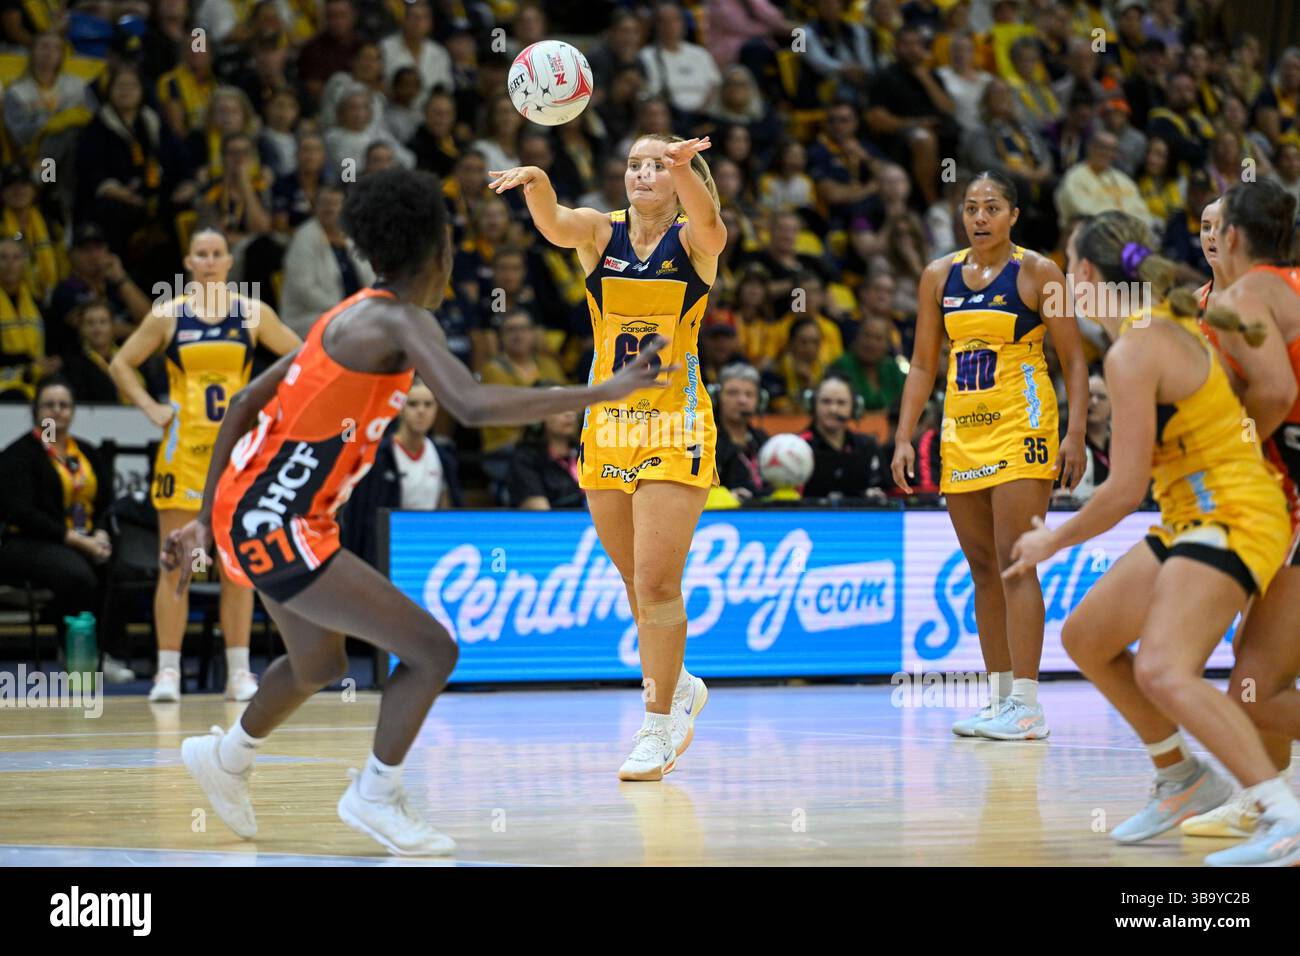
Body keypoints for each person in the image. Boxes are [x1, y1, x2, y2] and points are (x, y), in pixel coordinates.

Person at [164, 168, 667, 855]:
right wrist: (603, 390)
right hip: (277, 522)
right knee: (433, 651)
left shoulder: (349, 313)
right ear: (439, 251)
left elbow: (249, 399)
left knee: (316, 661)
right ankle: (374, 793)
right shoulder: (401, 320)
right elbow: (474, 404)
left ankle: (225, 760)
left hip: (251, 508)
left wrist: (202, 515)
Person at [1004, 209, 1300, 867]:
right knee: (1088, 636)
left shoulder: (1138, 347)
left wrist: (1049, 540)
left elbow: (1120, 489)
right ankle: (1182, 777)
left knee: (1164, 668)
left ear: (1083, 274)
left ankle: (1282, 815)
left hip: (1235, 512)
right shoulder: (1147, 334)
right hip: (1190, 514)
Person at [488, 131, 725, 781]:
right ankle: (678, 684)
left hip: (676, 424)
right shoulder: (601, 232)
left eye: (660, 165)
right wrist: (538, 181)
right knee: (631, 579)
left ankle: (657, 725)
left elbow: (709, 221)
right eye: (636, 164)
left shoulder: (694, 242)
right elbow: (558, 225)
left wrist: (688, 175)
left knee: (655, 581)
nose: (644, 174)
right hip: (609, 425)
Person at [893, 170, 1089, 740]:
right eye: (971, 208)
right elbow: (925, 365)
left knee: (1015, 559)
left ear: (1013, 215)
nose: (980, 218)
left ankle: (1028, 704)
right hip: (962, 431)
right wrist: (905, 436)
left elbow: (1073, 360)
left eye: (992, 207)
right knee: (982, 567)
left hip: (1022, 428)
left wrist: (1074, 435)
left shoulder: (1038, 272)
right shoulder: (938, 276)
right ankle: (1000, 696)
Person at [110, 227, 301, 703]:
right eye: (202, 254)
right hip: (184, 454)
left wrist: (273, 410)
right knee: (176, 564)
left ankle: (239, 671)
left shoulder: (254, 313)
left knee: (237, 566)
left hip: (238, 454)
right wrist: (150, 408)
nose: (211, 261)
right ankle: (167, 672)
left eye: (218, 254)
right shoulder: (167, 315)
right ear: (188, 261)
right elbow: (120, 364)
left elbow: (303, 360)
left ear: (229, 262)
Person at [1177, 180, 1300, 842]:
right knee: (1257, 667)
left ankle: (1264, 798)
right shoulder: (1240, 295)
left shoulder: (1248, 296)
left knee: (1255, 683)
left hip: (1281, 487)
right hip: (1277, 488)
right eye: (1200, 221)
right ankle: (1263, 797)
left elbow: (1274, 393)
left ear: (1233, 235)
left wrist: (1231, 449)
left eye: (1215, 223)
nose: (1207, 232)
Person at [0, 377, 134, 682]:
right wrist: (74, 540)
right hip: (28, 542)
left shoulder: (85, 450)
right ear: (36, 410)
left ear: (72, 411)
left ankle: (107, 653)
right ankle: (74, 653)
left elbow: (106, 503)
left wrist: (99, 534)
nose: (57, 412)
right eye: (49, 405)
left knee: (122, 571)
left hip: (82, 539)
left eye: (64, 405)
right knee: (77, 574)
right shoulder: (20, 454)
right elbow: (23, 512)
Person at [798, 374, 885, 500]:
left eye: (841, 403)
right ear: (813, 404)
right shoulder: (798, 446)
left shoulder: (867, 446)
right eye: (826, 401)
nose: (833, 409)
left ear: (854, 407)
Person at [507, 391, 583, 510]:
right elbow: (540, 511)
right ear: (540, 417)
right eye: (559, 408)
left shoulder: (586, 451)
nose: (569, 414)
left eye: (571, 407)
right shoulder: (525, 459)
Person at [712, 362, 770, 499]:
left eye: (749, 394)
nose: (742, 400)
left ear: (759, 401)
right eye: (732, 393)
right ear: (717, 397)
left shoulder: (763, 440)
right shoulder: (707, 440)